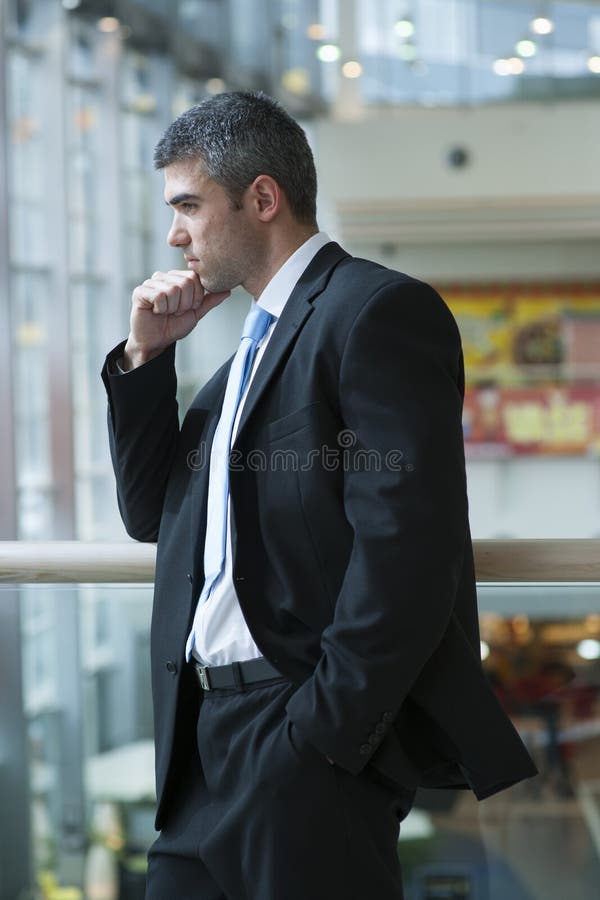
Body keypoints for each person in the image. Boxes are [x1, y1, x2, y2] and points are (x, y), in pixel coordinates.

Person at [102, 90, 537, 900]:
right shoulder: (242, 360)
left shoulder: (374, 313)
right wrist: (145, 356)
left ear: (262, 199)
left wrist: (322, 737)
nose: (175, 234)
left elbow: (405, 554)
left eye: (189, 205)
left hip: (299, 743)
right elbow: (148, 514)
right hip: (200, 749)